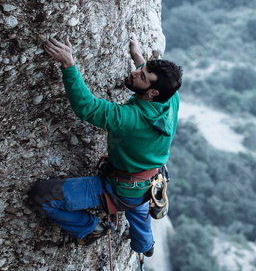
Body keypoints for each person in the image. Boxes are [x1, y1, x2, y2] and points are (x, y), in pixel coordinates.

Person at [28, 35, 182, 255]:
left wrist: (69, 65)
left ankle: (89, 228)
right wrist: (137, 56)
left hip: (121, 189)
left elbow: (87, 107)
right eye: (142, 68)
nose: (135, 72)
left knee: (41, 195)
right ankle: (145, 246)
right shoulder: (171, 98)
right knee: (138, 208)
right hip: (147, 183)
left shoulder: (129, 118)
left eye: (142, 76)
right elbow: (151, 77)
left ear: (152, 93)